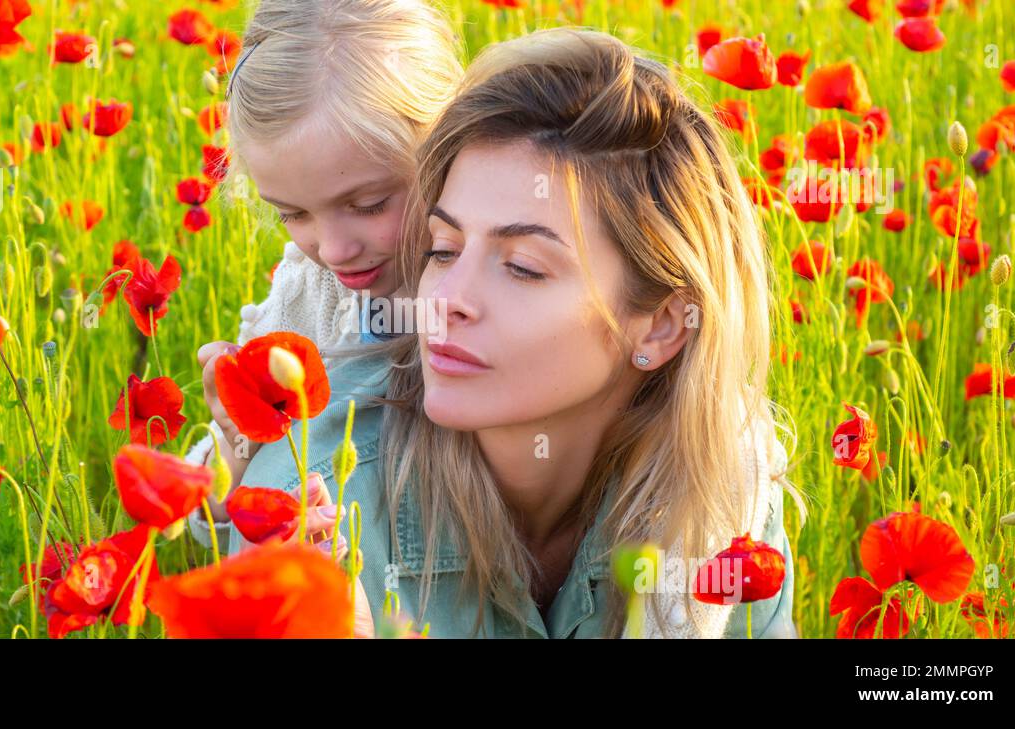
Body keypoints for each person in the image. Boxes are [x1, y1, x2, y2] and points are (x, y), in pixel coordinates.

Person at [223, 27, 805, 638]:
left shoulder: (723, 494)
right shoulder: (312, 512)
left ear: (661, 325)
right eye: (442, 250)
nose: (445, 300)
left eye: (523, 267)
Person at [182, 0, 464, 537]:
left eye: (368, 204)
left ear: (448, 146)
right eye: (293, 213)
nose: (333, 251)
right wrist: (237, 440)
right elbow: (220, 521)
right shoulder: (307, 294)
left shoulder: (512, 277)